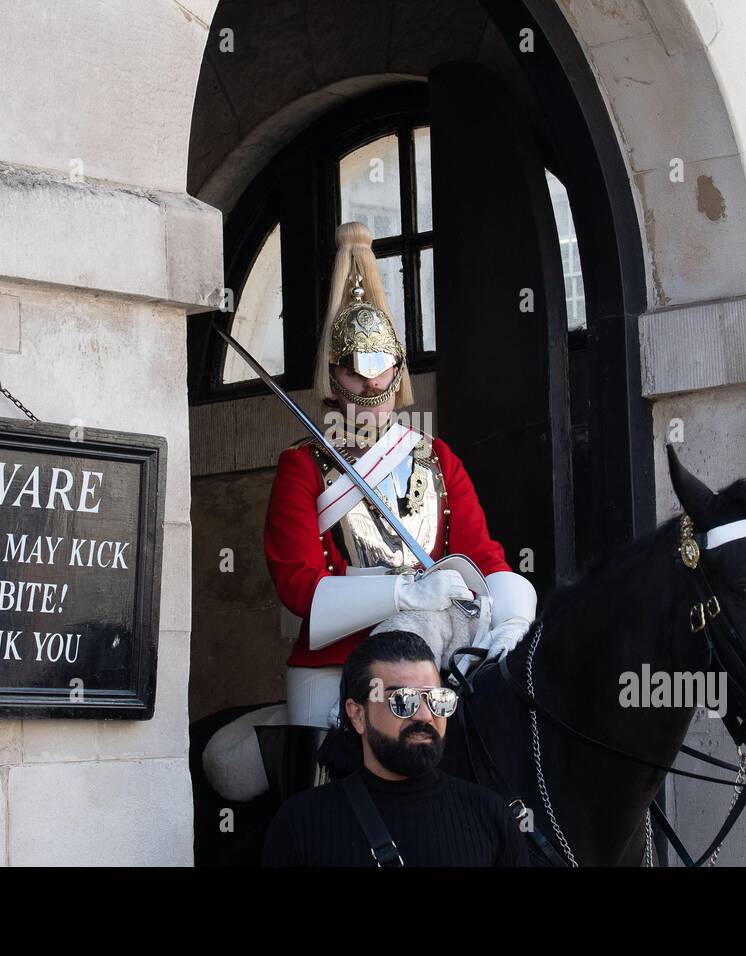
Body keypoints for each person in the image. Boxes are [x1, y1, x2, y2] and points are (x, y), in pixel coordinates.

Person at [263, 220, 536, 735]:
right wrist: (404, 595)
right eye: (355, 371)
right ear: (334, 377)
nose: (371, 382)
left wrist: (512, 619)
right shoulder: (303, 466)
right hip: (339, 664)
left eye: (382, 367)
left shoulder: (437, 456)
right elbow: (300, 586)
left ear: (398, 369)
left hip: (438, 659)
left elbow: (482, 555)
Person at [260, 630, 531, 867]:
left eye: (437, 699)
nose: (425, 716)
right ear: (357, 715)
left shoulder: (491, 816)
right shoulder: (301, 825)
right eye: (403, 701)